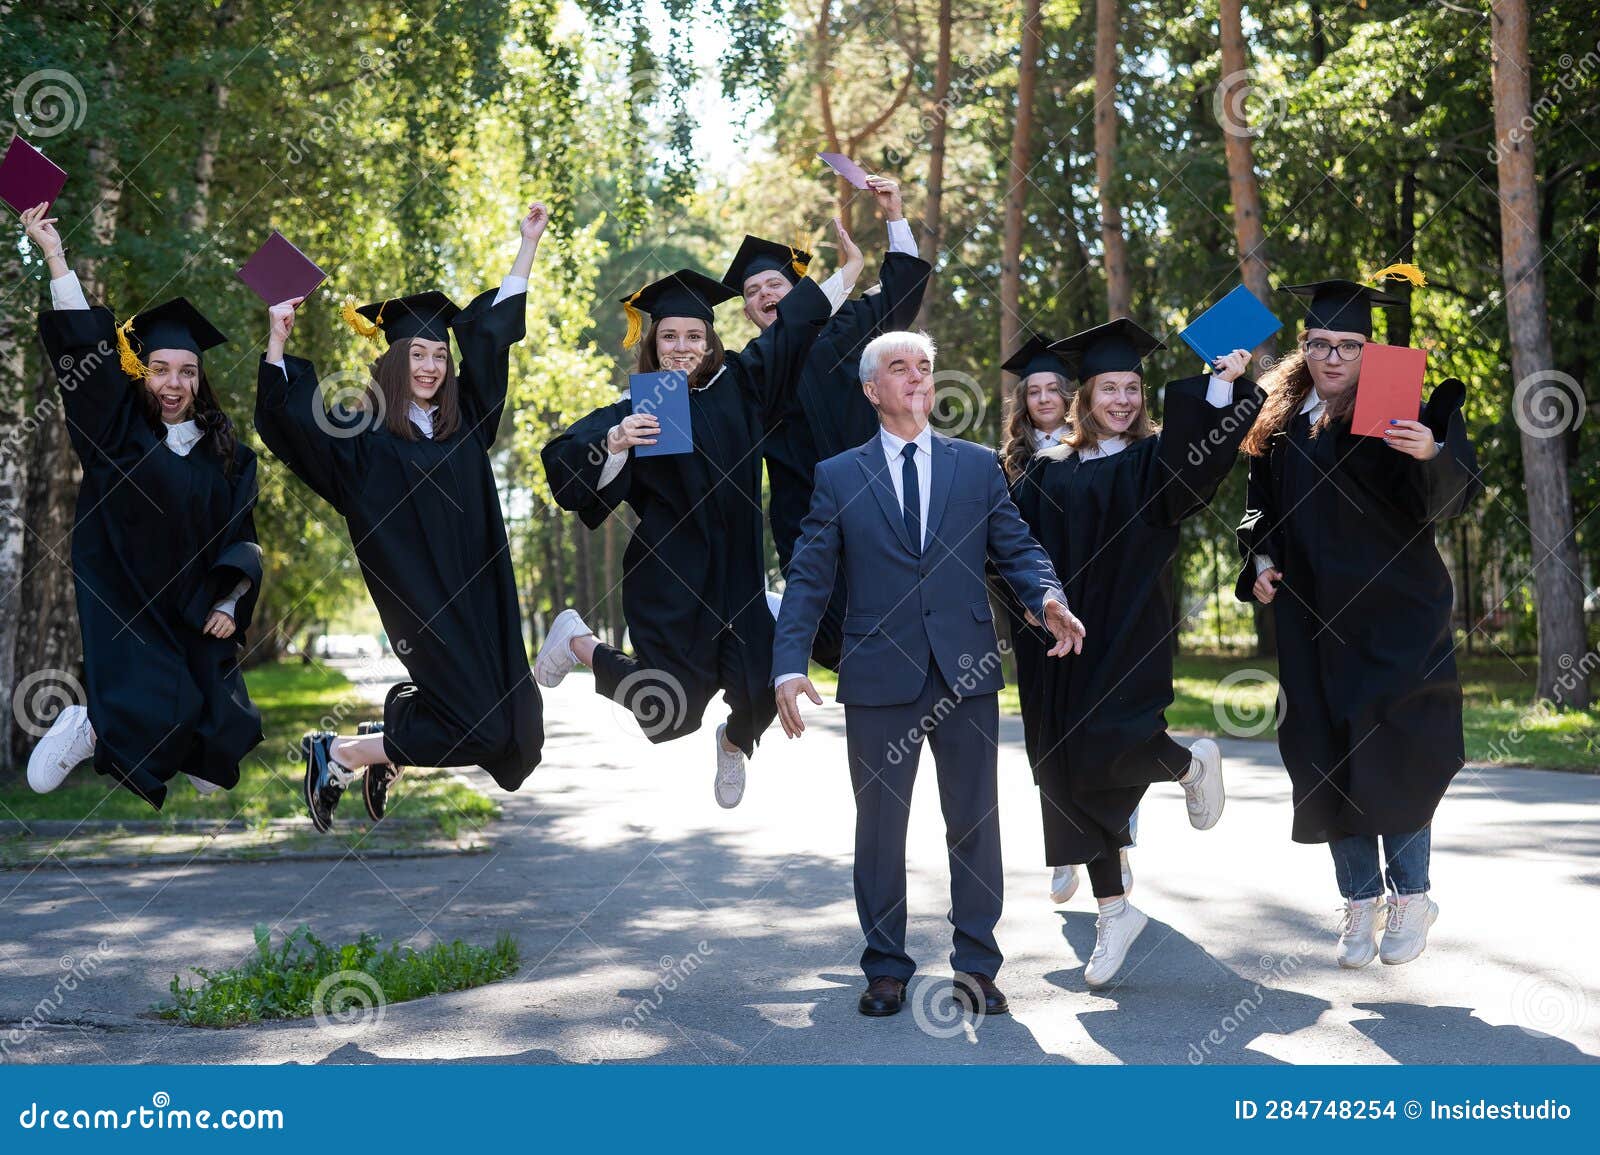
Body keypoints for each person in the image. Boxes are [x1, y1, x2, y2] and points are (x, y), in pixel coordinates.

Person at [773, 329, 1085, 1020]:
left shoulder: (976, 468)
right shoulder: (839, 476)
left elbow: (1018, 548)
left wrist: (1048, 597)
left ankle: (977, 965)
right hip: (878, 674)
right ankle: (885, 967)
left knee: (974, 823)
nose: (915, 378)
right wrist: (787, 664)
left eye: (924, 367)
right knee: (881, 826)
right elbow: (808, 578)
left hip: (966, 669)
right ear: (871, 389)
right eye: (898, 367)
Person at [256, 204, 548, 832]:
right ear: (394, 362)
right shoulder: (364, 438)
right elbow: (288, 423)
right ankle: (346, 753)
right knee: (480, 724)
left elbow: (493, 340)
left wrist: (525, 248)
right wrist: (278, 337)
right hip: (421, 602)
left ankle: (375, 742)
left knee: (517, 733)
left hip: (482, 595)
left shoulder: (468, 420)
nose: (430, 367)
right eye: (417, 355)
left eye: (439, 356)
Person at [537, 230, 841, 808]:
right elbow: (564, 462)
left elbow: (795, 328)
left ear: (710, 340)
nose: (681, 346)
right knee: (667, 714)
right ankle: (575, 640)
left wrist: (845, 272)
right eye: (670, 336)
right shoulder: (639, 409)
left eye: (694, 335)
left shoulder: (744, 388)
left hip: (739, 583)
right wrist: (616, 442)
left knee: (761, 693)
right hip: (671, 586)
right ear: (652, 345)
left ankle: (732, 742)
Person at [1235, 269, 1481, 969]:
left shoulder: (1396, 411)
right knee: (1325, 753)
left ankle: (1411, 895)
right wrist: (1260, 559)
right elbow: (1258, 509)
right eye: (1320, 342)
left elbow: (1448, 496)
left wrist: (1429, 453)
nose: (1333, 355)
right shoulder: (1280, 425)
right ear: (1304, 347)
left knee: (1395, 751)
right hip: (1312, 621)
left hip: (1396, 618)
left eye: (1348, 344)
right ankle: (1359, 899)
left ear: (1370, 351)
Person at [1012, 319, 1261, 987]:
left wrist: (1220, 383)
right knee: (1064, 770)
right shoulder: (1047, 471)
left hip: (1127, 626)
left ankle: (1187, 762)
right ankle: (1114, 910)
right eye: (1107, 387)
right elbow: (1009, 549)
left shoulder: (1153, 460)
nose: (1121, 398)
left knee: (1110, 740)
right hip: (1055, 638)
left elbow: (1198, 462)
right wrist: (1037, 605)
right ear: (1083, 396)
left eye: (1131, 387)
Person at [21, 202, 263, 807]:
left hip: (197, 604)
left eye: (186, 371)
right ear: (142, 370)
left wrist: (232, 600)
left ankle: (147, 738)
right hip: (128, 597)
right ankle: (90, 727)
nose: (173, 384)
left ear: (200, 378)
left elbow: (245, 531)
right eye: (159, 370)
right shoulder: (118, 430)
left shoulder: (223, 449)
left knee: (219, 738)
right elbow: (85, 353)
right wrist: (55, 257)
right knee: (152, 706)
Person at [733, 176, 932, 669]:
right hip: (805, 517)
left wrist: (893, 215)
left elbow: (901, 296)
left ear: (800, 291)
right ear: (746, 310)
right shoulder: (750, 369)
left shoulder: (845, 330)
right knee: (832, 638)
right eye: (753, 291)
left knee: (898, 620)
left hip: (878, 500)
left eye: (775, 284)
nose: (765, 294)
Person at [997, 334, 1139, 907]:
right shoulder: (1010, 461)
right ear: (1023, 402)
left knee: (1103, 728)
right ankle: (1064, 847)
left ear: (1070, 396)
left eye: (1054, 387)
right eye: (1033, 391)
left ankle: (1115, 838)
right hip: (1035, 613)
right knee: (1047, 736)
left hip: (1096, 600)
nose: (1044, 398)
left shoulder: (1097, 449)